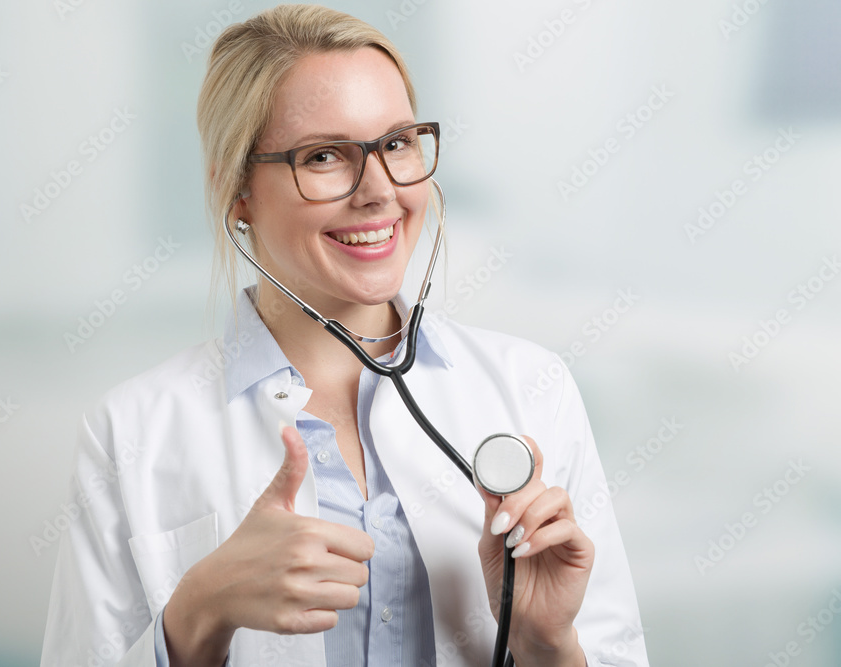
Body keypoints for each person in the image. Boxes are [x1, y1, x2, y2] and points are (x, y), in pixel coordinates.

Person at [39, 5, 649, 666]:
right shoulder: (131, 430)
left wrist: (545, 642)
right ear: (236, 188)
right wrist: (199, 612)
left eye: (397, 143)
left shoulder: (534, 387)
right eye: (324, 156)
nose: (380, 191)